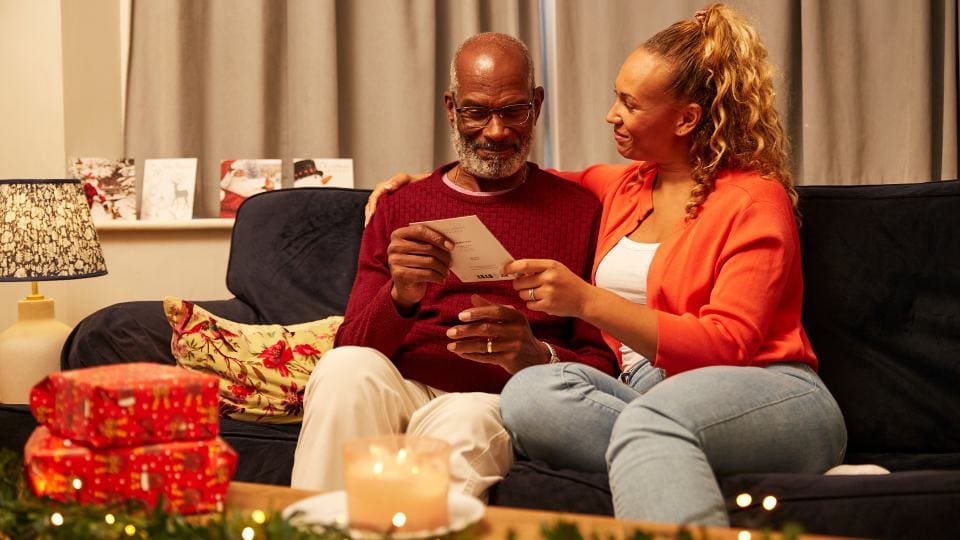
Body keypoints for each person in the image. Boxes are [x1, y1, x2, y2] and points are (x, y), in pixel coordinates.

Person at [365, 4, 846, 526]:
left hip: (764, 390)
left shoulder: (754, 200)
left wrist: (587, 301)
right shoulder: (623, 187)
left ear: (685, 118)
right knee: (528, 393)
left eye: (629, 103)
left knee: (655, 422)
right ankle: (690, 462)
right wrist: (414, 187)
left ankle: (687, 448)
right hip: (642, 392)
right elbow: (502, 169)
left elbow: (727, 346)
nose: (611, 114)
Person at [290, 32, 616, 500]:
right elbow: (352, 344)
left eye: (513, 111)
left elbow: (602, 365)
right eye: (476, 111)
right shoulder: (400, 205)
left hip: (492, 401)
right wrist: (400, 295)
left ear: (537, 105)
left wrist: (531, 355)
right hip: (401, 386)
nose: (497, 131)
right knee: (345, 368)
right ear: (451, 108)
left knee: (468, 419)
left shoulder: (581, 212)